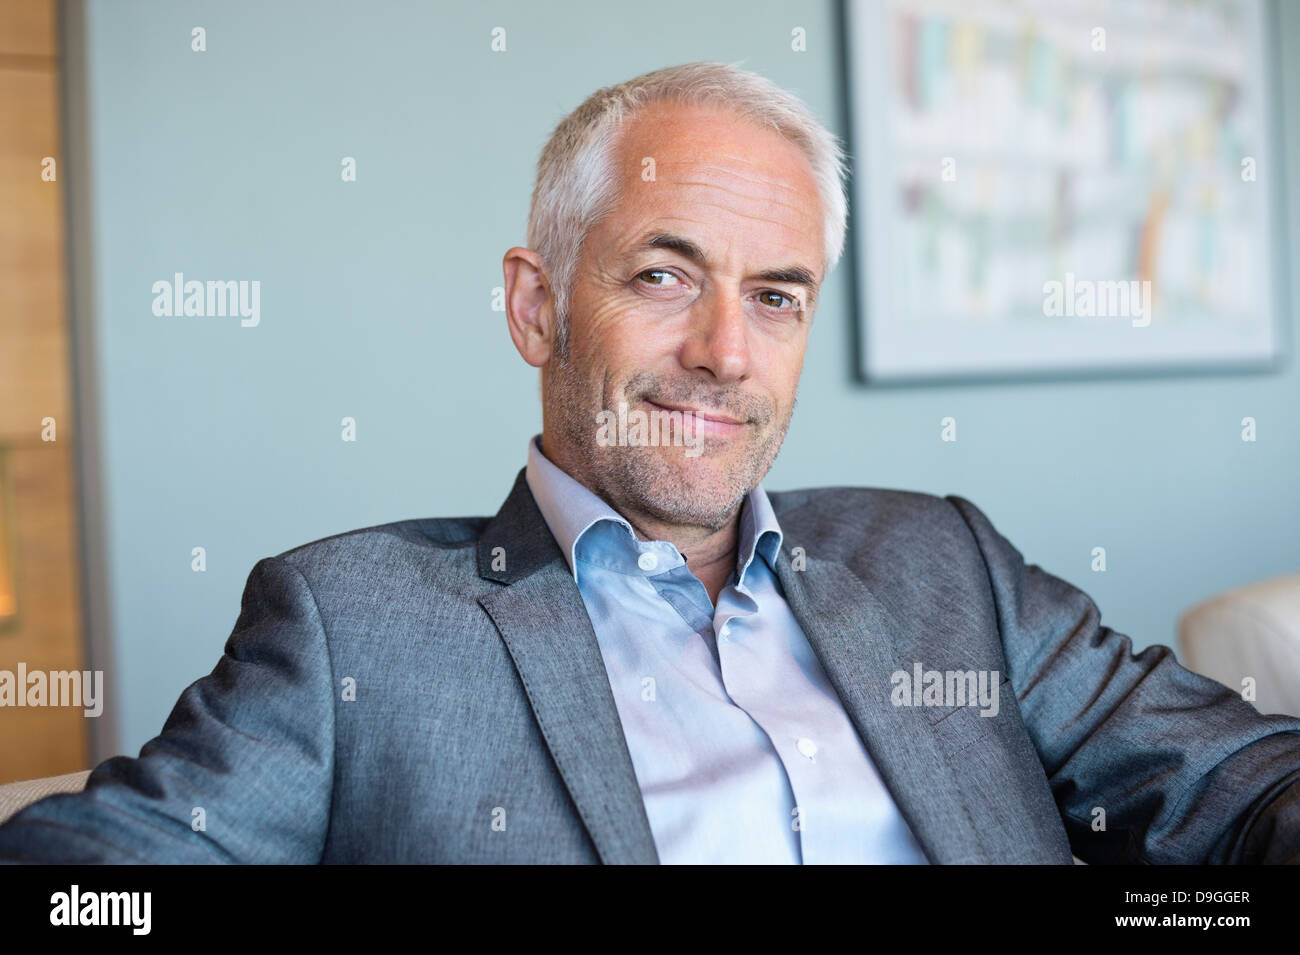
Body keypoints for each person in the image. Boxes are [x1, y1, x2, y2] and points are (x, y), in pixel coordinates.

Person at [2, 61, 1297, 864]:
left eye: (778, 295)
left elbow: (1236, 787)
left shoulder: (941, 561)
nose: (727, 352)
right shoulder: (356, 623)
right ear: (536, 306)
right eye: (665, 274)